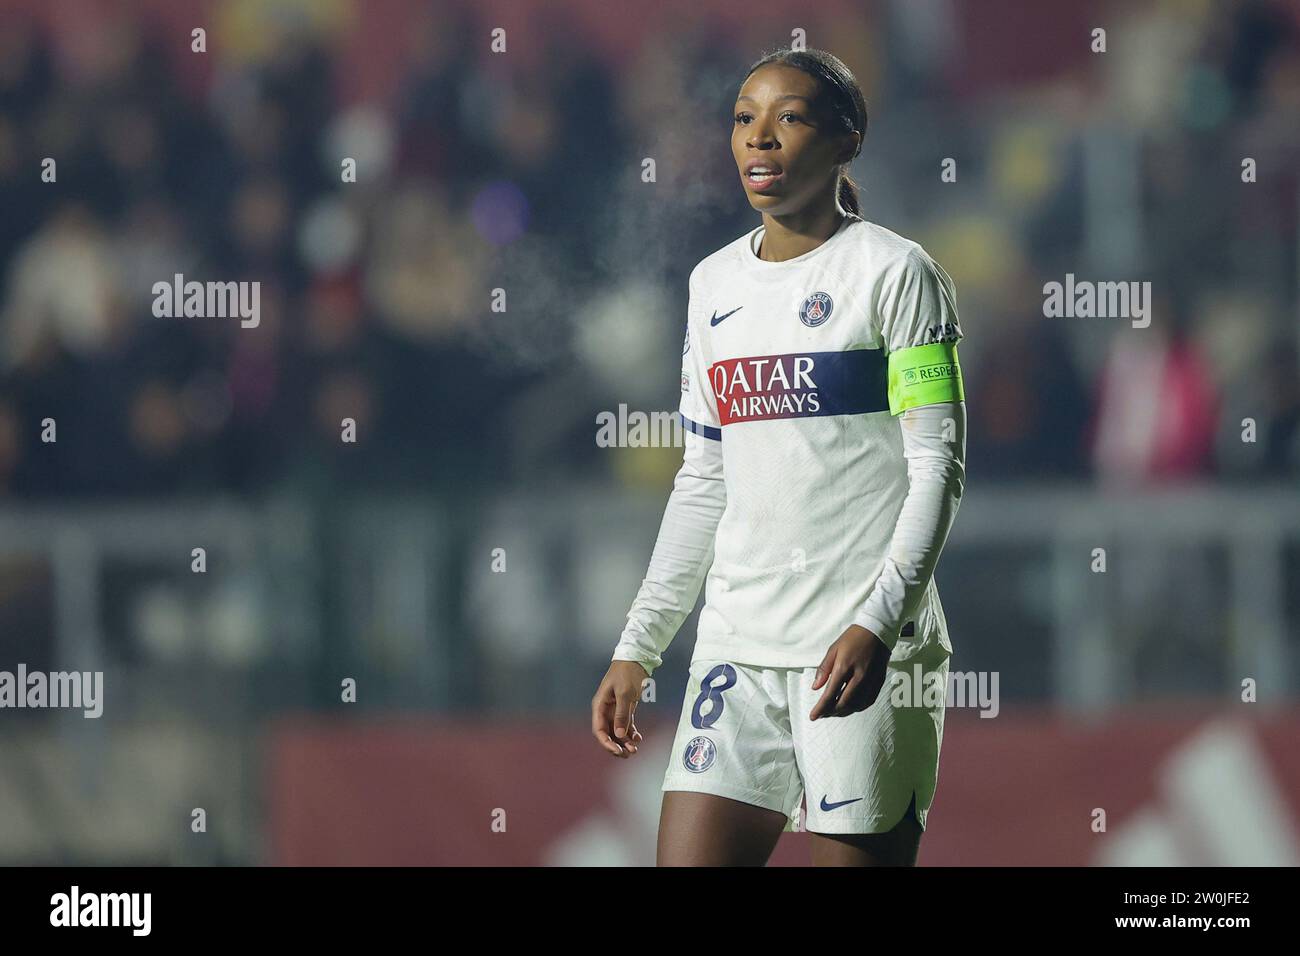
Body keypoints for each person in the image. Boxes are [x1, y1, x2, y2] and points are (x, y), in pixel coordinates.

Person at [591, 48, 967, 866]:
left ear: (847, 141)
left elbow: (938, 468)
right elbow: (704, 481)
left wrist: (878, 622)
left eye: (789, 118)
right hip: (738, 649)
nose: (759, 139)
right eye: (743, 119)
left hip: (861, 652)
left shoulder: (898, 274)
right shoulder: (713, 286)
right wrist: (638, 645)